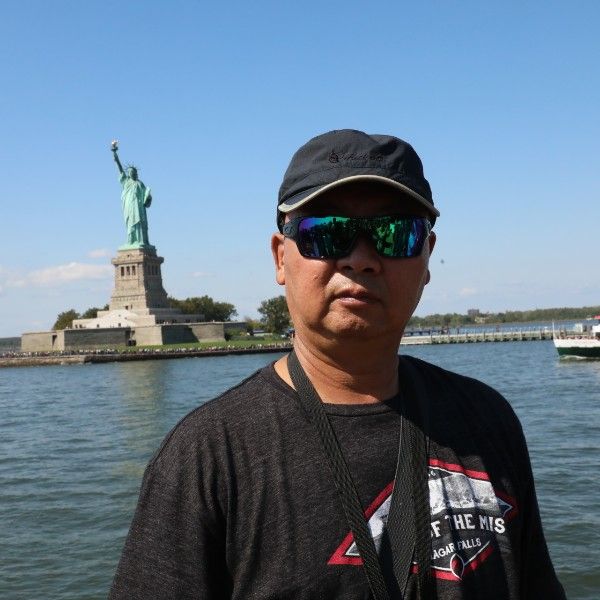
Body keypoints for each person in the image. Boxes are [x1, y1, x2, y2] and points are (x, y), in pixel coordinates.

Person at [109, 129, 565, 599]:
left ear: (427, 256)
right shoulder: (205, 457)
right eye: (325, 234)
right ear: (280, 257)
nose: (361, 259)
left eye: (395, 234)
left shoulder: (488, 419)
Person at [111, 141, 152, 247]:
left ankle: (141, 241)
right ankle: (131, 241)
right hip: (129, 206)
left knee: (140, 223)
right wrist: (115, 153)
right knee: (130, 223)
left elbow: (146, 196)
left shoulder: (140, 183)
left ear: (135, 173)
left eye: (133, 171)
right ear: (128, 174)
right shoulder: (126, 181)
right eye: (129, 172)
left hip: (139, 207)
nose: (131, 173)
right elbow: (120, 168)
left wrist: (148, 197)